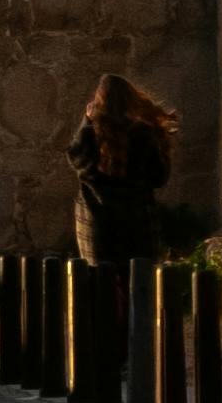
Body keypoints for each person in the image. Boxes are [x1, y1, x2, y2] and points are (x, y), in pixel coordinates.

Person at [68, 73, 176, 266]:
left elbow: (76, 157)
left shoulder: (91, 137)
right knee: (138, 286)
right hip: (138, 227)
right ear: (131, 100)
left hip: (98, 229)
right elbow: (159, 177)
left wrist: (87, 121)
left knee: (103, 288)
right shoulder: (145, 135)